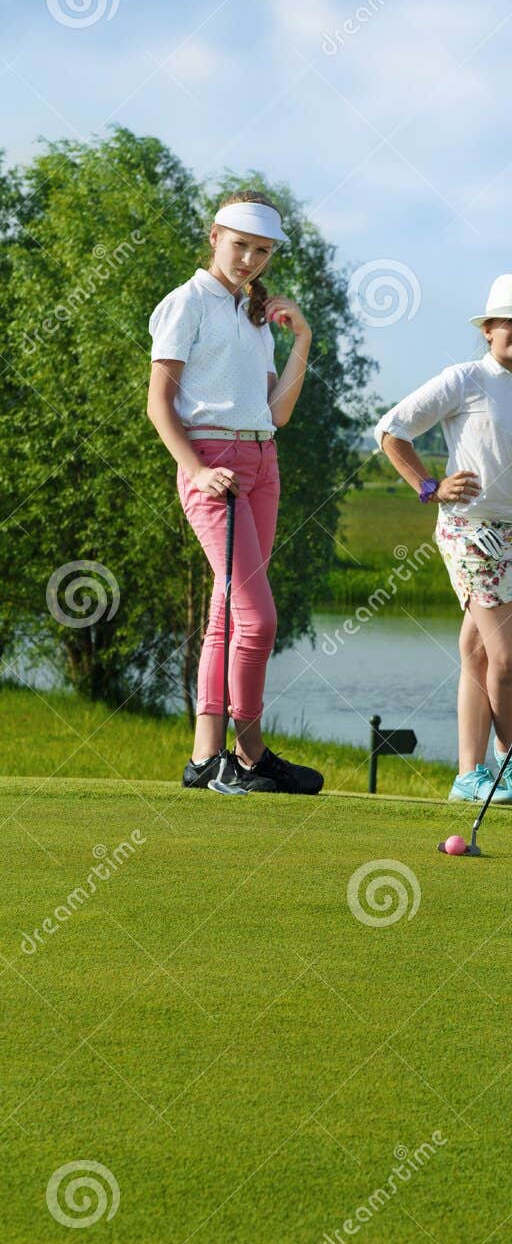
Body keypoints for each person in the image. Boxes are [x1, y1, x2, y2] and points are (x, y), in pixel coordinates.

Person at [374, 275, 512, 808]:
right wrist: (429, 485)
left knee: (476, 652)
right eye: (510, 322)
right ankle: (510, 763)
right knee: (511, 656)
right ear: (489, 329)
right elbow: (392, 430)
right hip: (471, 531)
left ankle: (468, 774)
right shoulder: (463, 380)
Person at [147, 190, 323, 793]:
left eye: (263, 250)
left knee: (228, 613)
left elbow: (278, 414)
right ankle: (247, 753)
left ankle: (207, 759)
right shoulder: (185, 303)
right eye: (241, 244)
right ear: (215, 236)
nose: (250, 259)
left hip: (262, 461)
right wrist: (195, 470)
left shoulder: (256, 317)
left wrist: (301, 340)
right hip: (213, 463)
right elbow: (159, 404)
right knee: (259, 619)